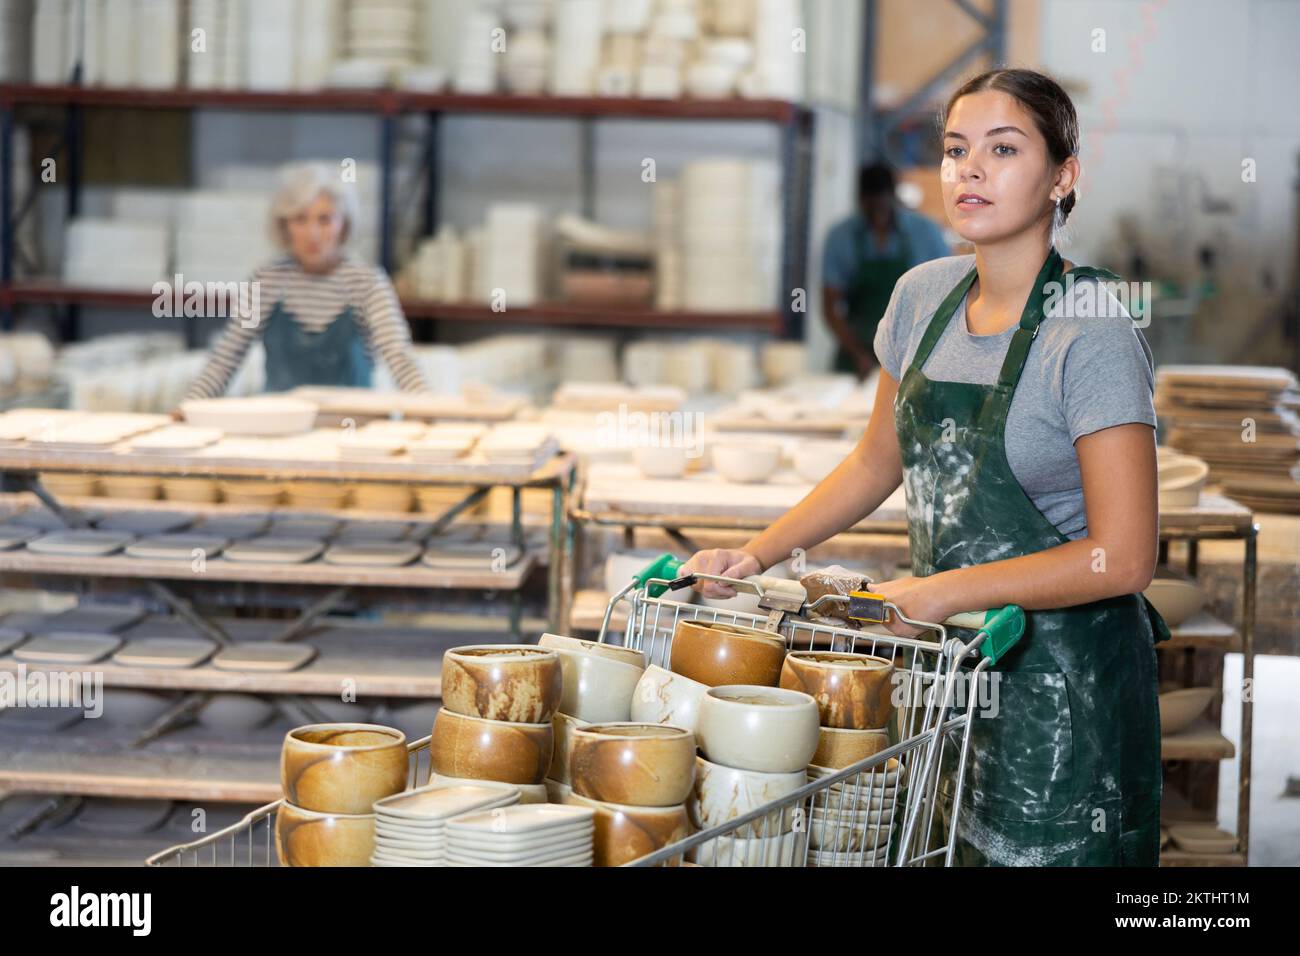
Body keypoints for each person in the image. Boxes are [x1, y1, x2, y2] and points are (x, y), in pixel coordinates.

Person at [683, 68, 1167, 866]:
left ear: (1062, 176)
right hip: (953, 676)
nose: (969, 170)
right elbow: (876, 462)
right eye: (954, 149)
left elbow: (1123, 557)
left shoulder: (1092, 333)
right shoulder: (921, 298)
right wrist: (756, 555)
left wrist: (939, 592)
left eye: (1002, 150)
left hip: (1067, 702)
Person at [185, 163, 429, 399]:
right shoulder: (267, 280)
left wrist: (430, 409)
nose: (312, 233)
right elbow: (225, 359)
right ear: (284, 224)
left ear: (344, 224)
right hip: (281, 420)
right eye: (300, 219)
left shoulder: (367, 283)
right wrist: (187, 408)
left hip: (351, 422)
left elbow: (400, 358)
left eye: (325, 219)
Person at [822, 161, 950, 378]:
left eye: (882, 208)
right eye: (871, 209)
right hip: (856, 354)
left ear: (893, 197)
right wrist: (858, 354)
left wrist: (925, 352)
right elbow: (829, 306)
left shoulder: (925, 233)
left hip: (911, 355)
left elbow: (947, 298)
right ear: (861, 200)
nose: (878, 218)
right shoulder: (841, 237)